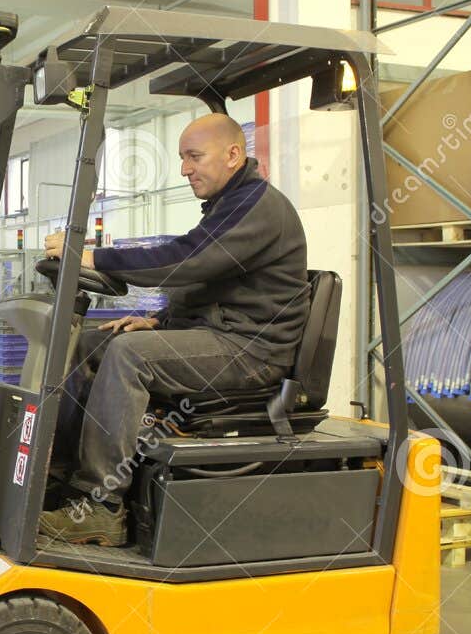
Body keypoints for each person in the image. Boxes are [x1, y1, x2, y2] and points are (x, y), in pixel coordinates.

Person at [38, 113, 310, 548]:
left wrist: (95, 258)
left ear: (233, 155)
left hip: (253, 352)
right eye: (183, 158)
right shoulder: (228, 206)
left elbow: (187, 260)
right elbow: (208, 282)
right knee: (89, 342)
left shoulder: (258, 205)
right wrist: (159, 321)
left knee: (130, 355)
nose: (185, 169)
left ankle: (101, 506)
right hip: (225, 337)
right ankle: (58, 476)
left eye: (194, 157)